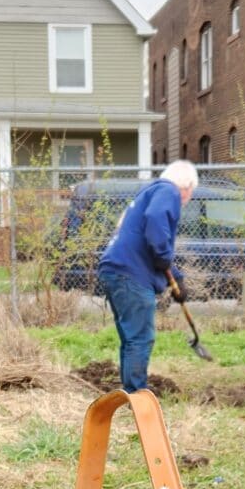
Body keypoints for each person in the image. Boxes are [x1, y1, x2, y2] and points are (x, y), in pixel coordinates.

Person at [97, 162, 196, 392]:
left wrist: (177, 279)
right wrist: (163, 255)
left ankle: (129, 394)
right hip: (130, 274)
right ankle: (137, 397)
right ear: (187, 186)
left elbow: (149, 243)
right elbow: (156, 223)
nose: (187, 200)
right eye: (191, 194)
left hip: (115, 270)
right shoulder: (168, 190)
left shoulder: (148, 193)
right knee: (140, 338)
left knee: (131, 339)